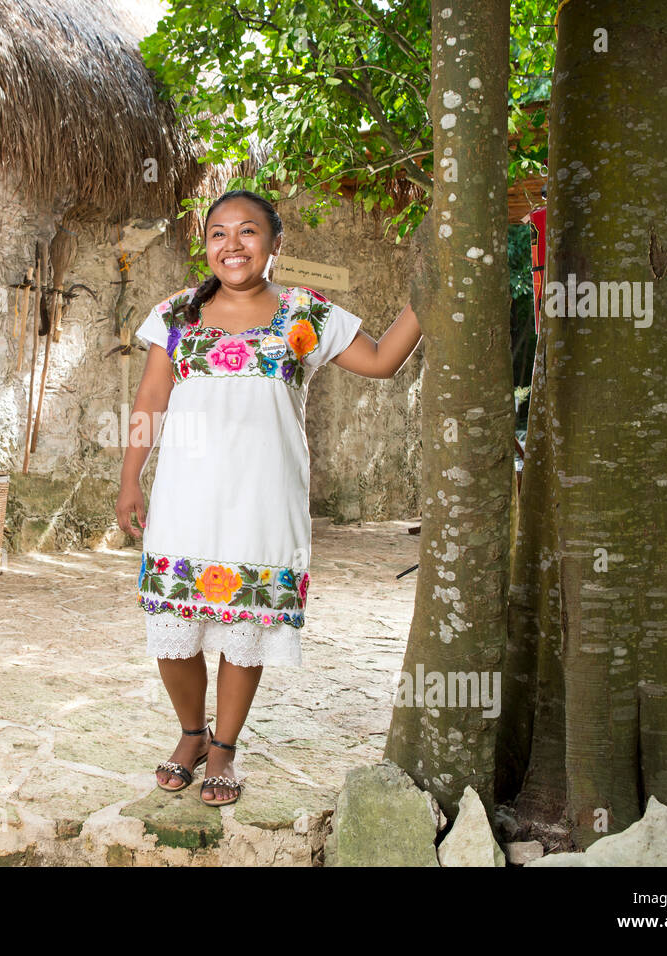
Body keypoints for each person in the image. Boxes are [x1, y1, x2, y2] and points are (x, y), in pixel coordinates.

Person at [115, 189, 422, 806]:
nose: (232, 245)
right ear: (206, 245)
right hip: (185, 498)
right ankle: (191, 733)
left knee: (245, 625)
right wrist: (130, 479)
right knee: (174, 624)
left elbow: (384, 360)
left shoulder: (305, 314)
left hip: (263, 499)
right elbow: (150, 400)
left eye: (248, 231)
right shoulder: (175, 315)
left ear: (275, 243)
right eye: (219, 233)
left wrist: (430, 292)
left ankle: (224, 748)